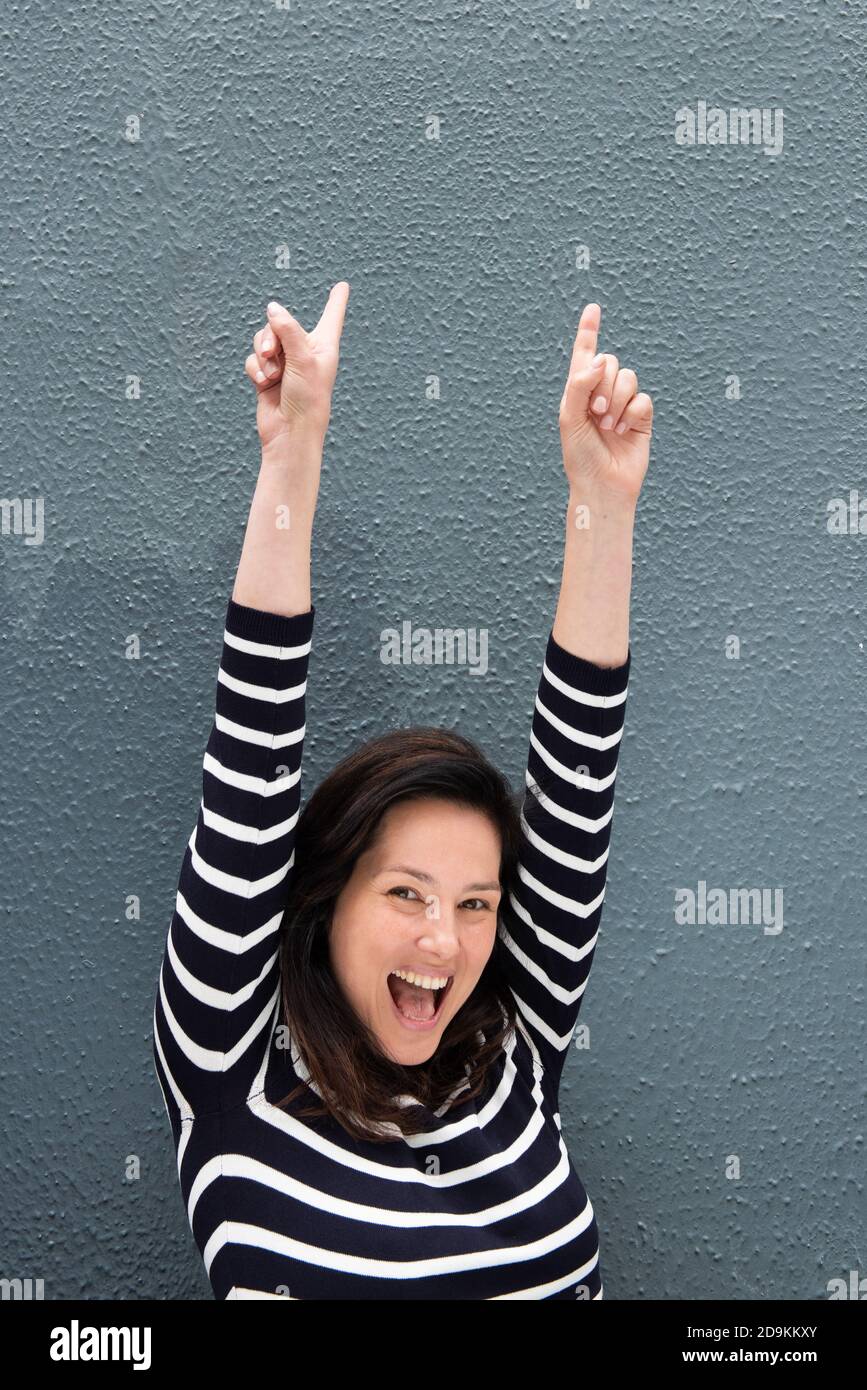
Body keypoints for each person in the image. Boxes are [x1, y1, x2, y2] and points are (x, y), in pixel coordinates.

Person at [152, 284, 653, 1299]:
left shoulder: (514, 1046)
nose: (445, 940)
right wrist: (294, 448)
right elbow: (249, 765)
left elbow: (580, 773)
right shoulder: (233, 1066)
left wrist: (603, 499)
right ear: (326, 901)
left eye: (476, 905)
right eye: (406, 893)